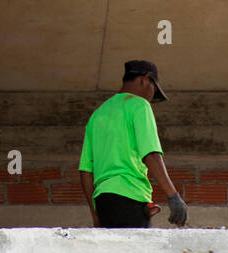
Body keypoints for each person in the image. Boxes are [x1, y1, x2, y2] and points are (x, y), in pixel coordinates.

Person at [78, 60, 188, 228]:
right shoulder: (139, 105)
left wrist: (96, 215)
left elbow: (85, 172)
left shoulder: (97, 115)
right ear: (146, 79)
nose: (151, 97)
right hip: (130, 197)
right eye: (154, 90)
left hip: (103, 201)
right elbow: (150, 154)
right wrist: (173, 196)